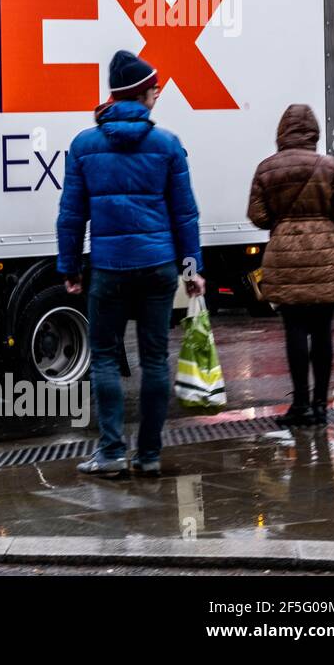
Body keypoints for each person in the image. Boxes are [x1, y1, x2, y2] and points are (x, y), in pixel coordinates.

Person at [58, 50, 205, 478]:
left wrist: (69, 268)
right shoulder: (167, 144)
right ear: (143, 94)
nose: (158, 95)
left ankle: (110, 454)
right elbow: (185, 214)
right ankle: (150, 455)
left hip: (109, 269)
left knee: (103, 357)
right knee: (156, 361)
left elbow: (71, 214)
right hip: (158, 268)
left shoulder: (85, 145)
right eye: (155, 88)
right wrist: (192, 270)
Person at [247, 104, 334, 426]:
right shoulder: (328, 166)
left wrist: (284, 219)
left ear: (282, 131)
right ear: (314, 132)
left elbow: (258, 216)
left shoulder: (267, 169)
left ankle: (300, 407)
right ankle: (321, 406)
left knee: (293, 330)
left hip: (286, 255)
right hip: (324, 258)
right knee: (322, 333)